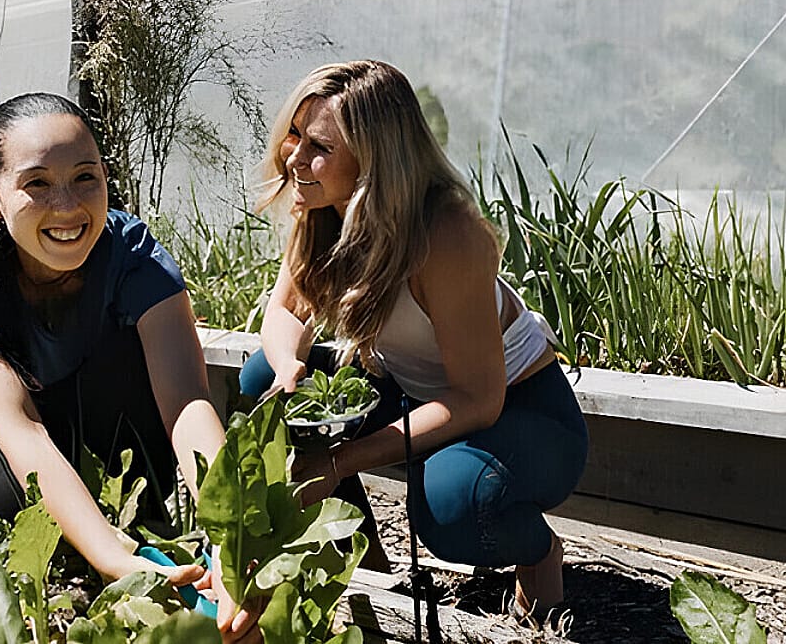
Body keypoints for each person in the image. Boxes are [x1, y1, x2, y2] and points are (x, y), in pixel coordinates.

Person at [239, 61, 589, 621]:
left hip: (521, 411)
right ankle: (364, 558)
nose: (295, 158)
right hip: (411, 389)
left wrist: (343, 457)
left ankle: (539, 556)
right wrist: (287, 370)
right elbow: (286, 307)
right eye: (295, 135)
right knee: (262, 382)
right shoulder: (324, 209)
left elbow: (479, 398)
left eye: (320, 145)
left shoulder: (445, 235)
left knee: (453, 506)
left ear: (374, 157)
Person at [0, 92, 255, 642]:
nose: (68, 206)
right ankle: (98, 537)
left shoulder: (133, 255)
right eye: (38, 184)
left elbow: (187, 401)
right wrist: (114, 558)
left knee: (138, 471)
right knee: (4, 503)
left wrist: (232, 532)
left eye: (85, 177)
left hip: (93, 399)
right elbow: (18, 429)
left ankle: (123, 525)